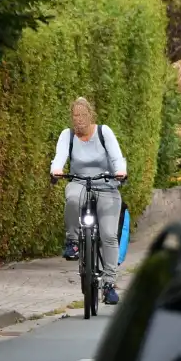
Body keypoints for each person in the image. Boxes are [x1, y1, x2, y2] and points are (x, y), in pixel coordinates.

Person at [49, 97, 127, 306]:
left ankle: (109, 284)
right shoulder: (68, 136)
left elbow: (117, 156)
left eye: (82, 116)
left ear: (90, 116)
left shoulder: (104, 132)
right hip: (80, 182)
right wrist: (56, 170)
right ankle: (72, 242)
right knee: (72, 199)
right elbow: (60, 156)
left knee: (109, 235)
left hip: (106, 184)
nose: (79, 121)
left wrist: (120, 171)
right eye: (75, 116)